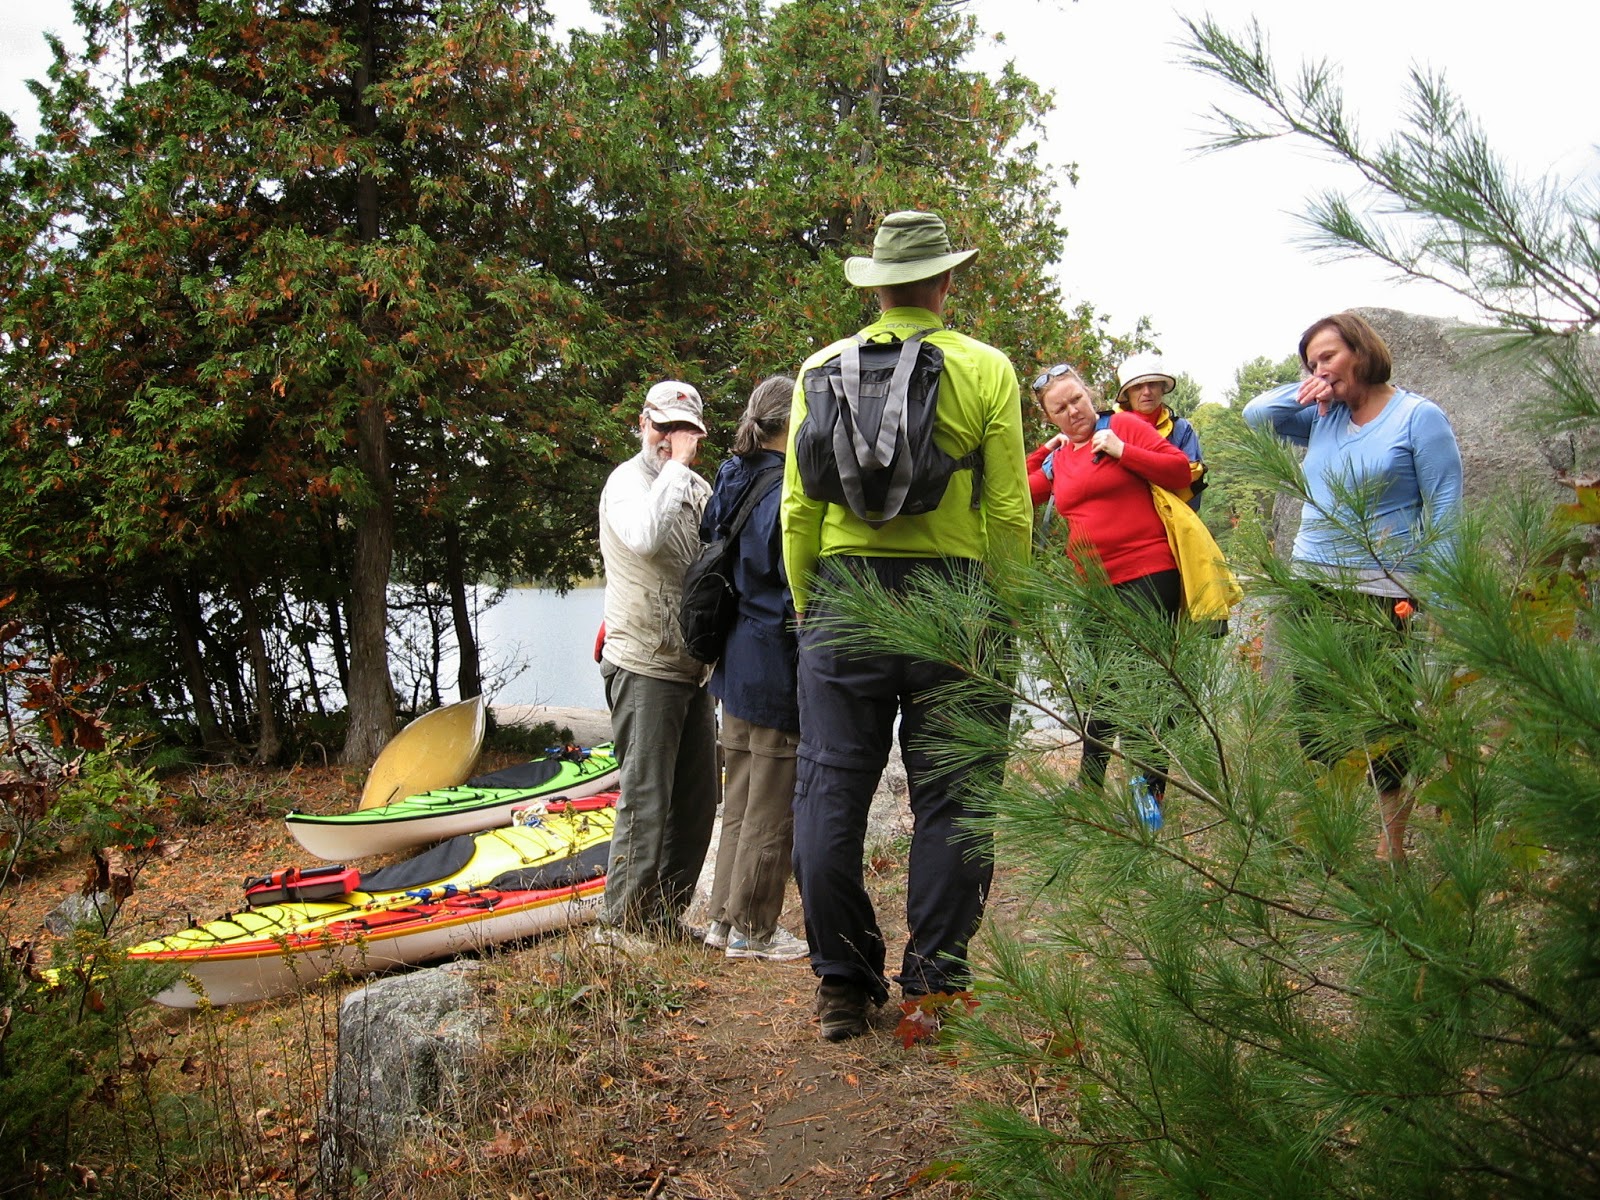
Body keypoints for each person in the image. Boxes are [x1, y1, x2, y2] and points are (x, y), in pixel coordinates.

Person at [783, 210, 1033, 1041]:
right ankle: (933, 987)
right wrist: (1012, 608)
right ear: (946, 281)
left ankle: (845, 987)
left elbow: (797, 511)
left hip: (844, 597)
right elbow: (1008, 508)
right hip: (959, 599)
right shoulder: (986, 368)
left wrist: (808, 604)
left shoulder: (819, 369)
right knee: (956, 796)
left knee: (828, 789)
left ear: (876, 285)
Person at [1243, 312, 1463, 862]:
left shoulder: (1419, 417)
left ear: (1362, 351)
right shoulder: (1321, 418)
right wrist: (1306, 389)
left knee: (1387, 722)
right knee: (1314, 725)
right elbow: (1257, 415)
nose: (1320, 369)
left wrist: (1440, 597)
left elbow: (1444, 509)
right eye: (1311, 362)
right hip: (1314, 587)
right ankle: (1335, 839)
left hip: (1387, 591)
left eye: (1328, 357)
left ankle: (1392, 849)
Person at [1027, 362, 1195, 822]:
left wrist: (1123, 451)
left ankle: (1148, 798)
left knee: (1144, 686)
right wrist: (1046, 447)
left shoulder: (1121, 425)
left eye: (1076, 400)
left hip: (1147, 572)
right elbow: (1021, 490)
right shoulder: (1059, 457)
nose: (1073, 412)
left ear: (1089, 394)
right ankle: (1088, 787)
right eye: (1059, 409)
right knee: (1100, 688)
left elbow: (1180, 471)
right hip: (1092, 589)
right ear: (1050, 417)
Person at [595, 380, 720, 946]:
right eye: (662, 426)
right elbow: (645, 538)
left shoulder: (697, 488)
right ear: (642, 422)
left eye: (683, 429)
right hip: (642, 663)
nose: (670, 439)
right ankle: (618, 923)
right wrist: (676, 467)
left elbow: (711, 565)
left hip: (692, 665)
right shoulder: (627, 482)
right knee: (645, 798)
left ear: (697, 433)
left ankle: (663, 919)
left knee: (698, 801)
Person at [700, 376, 809, 963]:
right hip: (772, 659)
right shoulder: (783, 488)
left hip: (735, 656)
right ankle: (754, 929)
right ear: (791, 423)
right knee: (771, 800)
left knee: (739, 797)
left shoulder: (731, 473)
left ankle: (721, 919)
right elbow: (788, 574)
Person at [1113, 352, 1207, 508]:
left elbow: (1191, 478)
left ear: (1163, 388)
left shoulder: (1182, 429)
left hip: (1175, 518)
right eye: (1137, 387)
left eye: (1153, 384)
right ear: (1127, 394)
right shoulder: (1107, 427)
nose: (1147, 392)